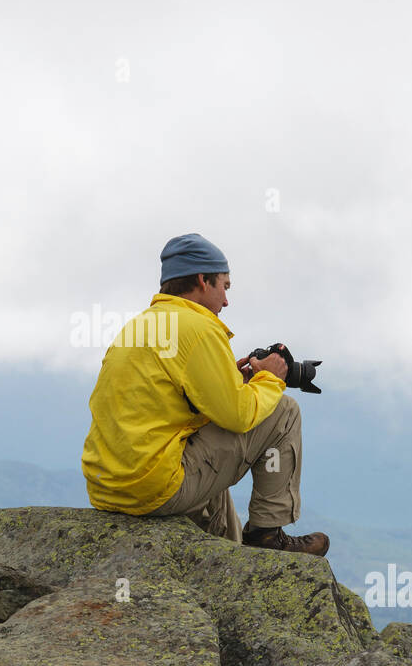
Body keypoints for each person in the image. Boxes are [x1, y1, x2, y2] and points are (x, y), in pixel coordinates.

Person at [80, 232, 330, 555]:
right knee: (283, 411)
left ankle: (231, 557)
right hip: (153, 487)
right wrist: (269, 378)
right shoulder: (199, 329)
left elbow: (165, 403)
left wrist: (229, 382)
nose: (226, 301)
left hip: (108, 488)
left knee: (203, 447)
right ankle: (268, 536)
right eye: (224, 286)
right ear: (202, 280)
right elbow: (239, 416)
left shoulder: (139, 327)